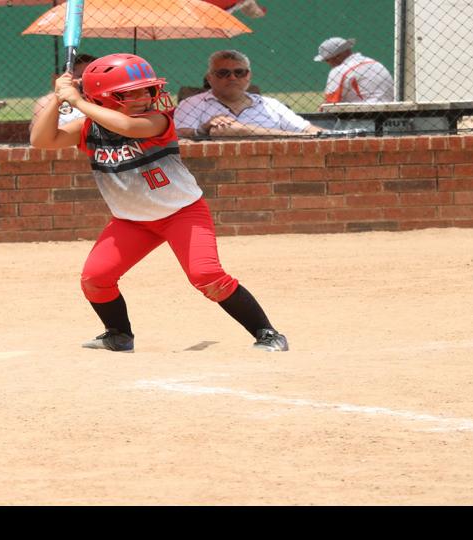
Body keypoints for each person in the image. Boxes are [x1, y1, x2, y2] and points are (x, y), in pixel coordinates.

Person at [30, 53, 288, 353]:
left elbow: (126, 126)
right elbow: (41, 140)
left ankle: (267, 333)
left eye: (147, 90)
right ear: (103, 97)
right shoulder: (89, 127)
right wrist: (57, 99)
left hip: (181, 213)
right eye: (130, 93)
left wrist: (76, 101)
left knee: (206, 277)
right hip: (131, 221)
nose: (143, 97)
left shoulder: (157, 120)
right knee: (96, 278)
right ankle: (118, 335)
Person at [174, 50, 319, 138]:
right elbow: (179, 135)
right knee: (223, 130)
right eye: (223, 73)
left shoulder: (271, 104)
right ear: (210, 78)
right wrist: (202, 129)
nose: (232, 78)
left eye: (239, 72)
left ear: (248, 76)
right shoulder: (191, 104)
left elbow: (307, 129)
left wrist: (335, 136)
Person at [313, 36, 392, 104]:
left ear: (337, 56)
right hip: (392, 112)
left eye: (327, 60)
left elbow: (330, 104)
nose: (328, 63)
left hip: (363, 116)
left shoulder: (339, 71)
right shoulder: (374, 63)